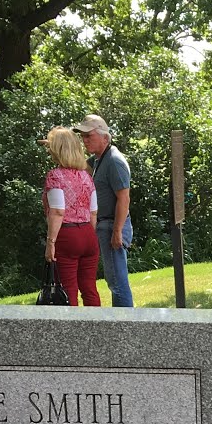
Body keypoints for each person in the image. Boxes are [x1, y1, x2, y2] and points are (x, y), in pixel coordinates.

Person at [73, 114, 133, 308]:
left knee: (117, 282)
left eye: (89, 135)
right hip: (105, 225)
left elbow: (124, 198)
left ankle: (125, 324)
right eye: (83, 136)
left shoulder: (114, 161)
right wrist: (57, 145)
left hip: (113, 225)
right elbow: (75, 164)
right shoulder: (98, 160)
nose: (85, 140)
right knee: (113, 280)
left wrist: (117, 232)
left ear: (105, 137)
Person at [40, 126, 100, 306]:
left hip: (67, 235)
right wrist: (88, 235)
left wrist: (50, 243)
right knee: (89, 287)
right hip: (88, 234)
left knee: (68, 289)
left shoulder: (55, 176)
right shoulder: (86, 176)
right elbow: (93, 211)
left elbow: (58, 211)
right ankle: (99, 328)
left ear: (58, 149)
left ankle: (71, 332)